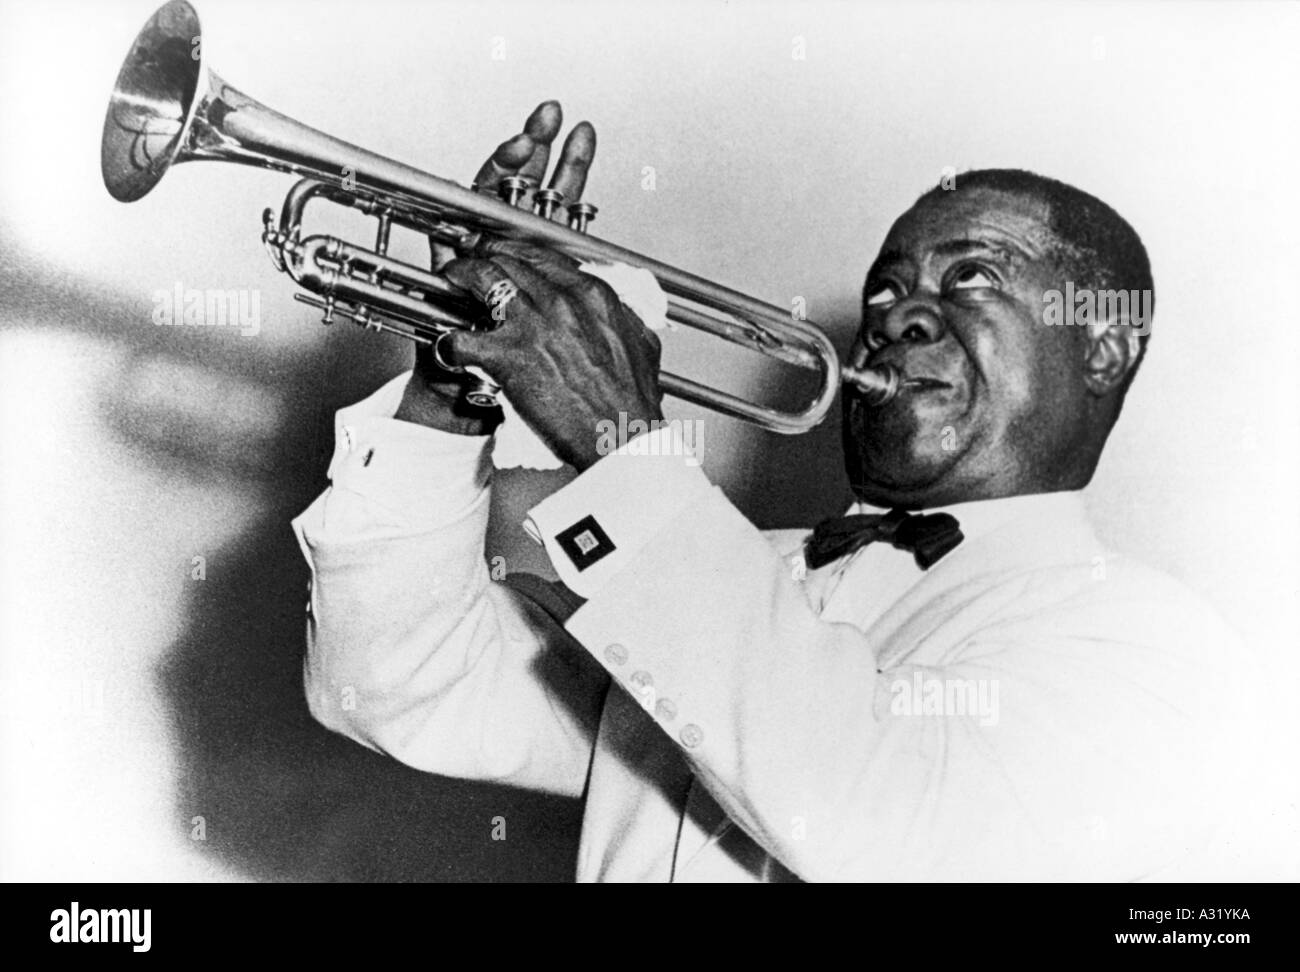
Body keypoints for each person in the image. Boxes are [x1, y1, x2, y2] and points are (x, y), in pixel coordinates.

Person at [292, 102, 1252, 881]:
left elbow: (871, 819)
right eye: (883, 291)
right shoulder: (738, 570)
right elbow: (394, 689)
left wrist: (618, 445)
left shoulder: (1147, 640)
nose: (901, 315)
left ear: (1104, 345)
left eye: (971, 278)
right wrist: (456, 380)